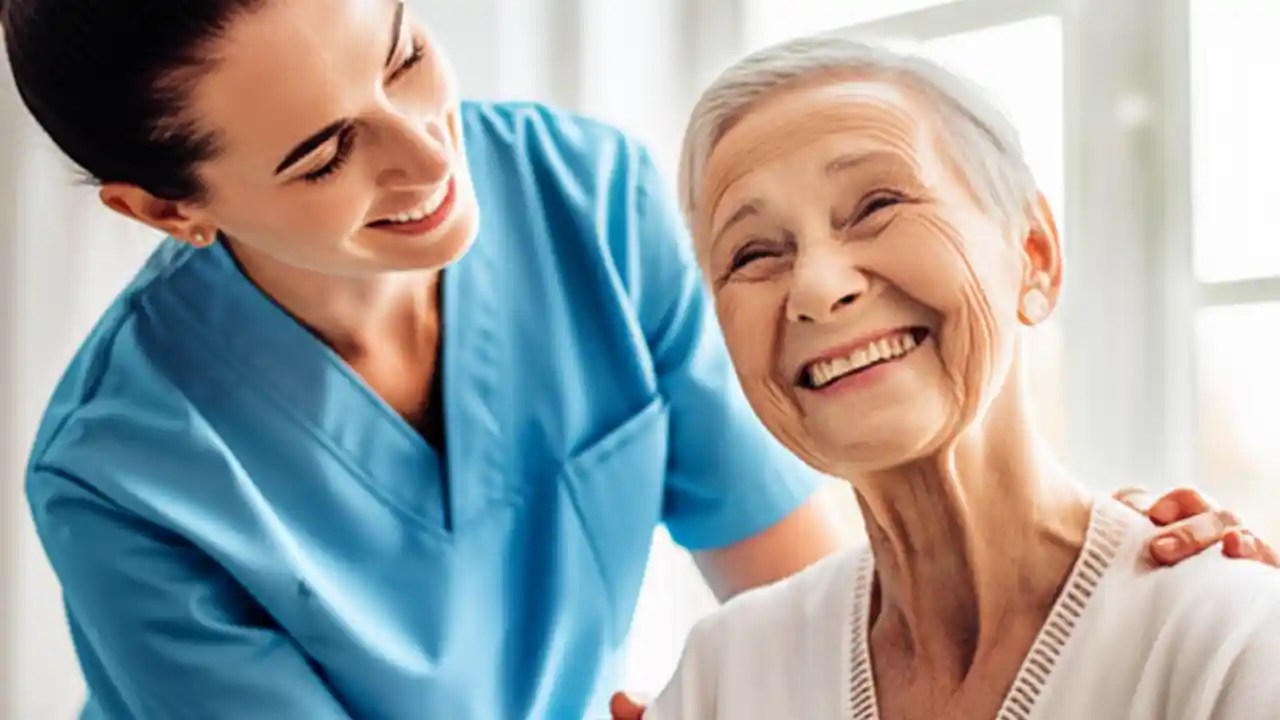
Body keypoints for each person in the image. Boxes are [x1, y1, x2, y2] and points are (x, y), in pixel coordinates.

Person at [0, 2, 1269, 718]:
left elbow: (841, 615)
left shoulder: (587, 207)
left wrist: (1096, 576)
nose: (429, 158)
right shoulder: (122, 468)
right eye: (326, 152)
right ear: (168, 209)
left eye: (402, 53)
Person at [614, 36, 1280, 720]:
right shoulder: (725, 673)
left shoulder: (1232, 641)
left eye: (877, 205)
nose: (815, 288)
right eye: (753, 253)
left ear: (1034, 255)